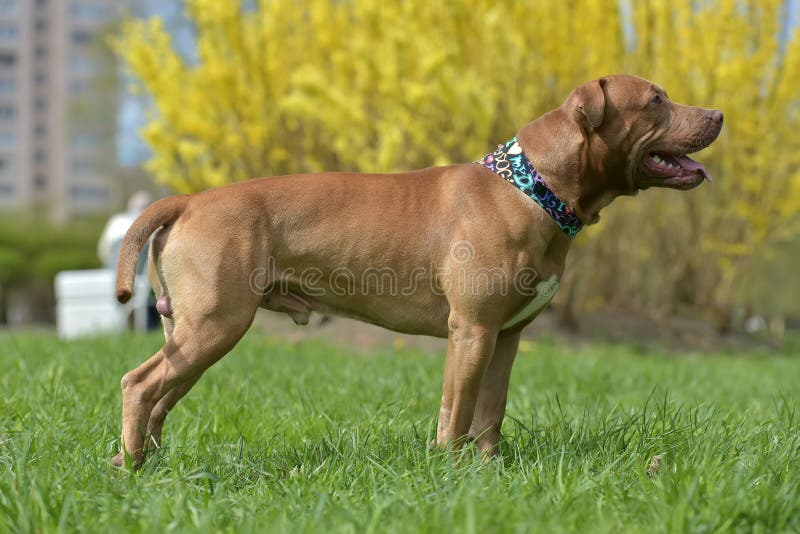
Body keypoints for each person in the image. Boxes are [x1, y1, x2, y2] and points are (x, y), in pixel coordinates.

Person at [97, 191, 159, 329]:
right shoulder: (152, 226)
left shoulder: (116, 222)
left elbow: (103, 251)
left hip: (117, 276)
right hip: (140, 279)